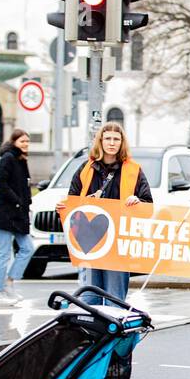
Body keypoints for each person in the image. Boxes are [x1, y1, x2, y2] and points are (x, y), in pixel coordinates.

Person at [56, 122, 151, 306]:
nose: (112, 143)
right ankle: (90, 333)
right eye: (108, 138)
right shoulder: (86, 169)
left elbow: (148, 203)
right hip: (89, 242)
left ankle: (113, 333)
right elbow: (73, 200)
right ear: (100, 141)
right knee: (89, 296)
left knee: (114, 297)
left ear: (122, 142)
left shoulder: (133, 170)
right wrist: (63, 206)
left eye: (116, 139)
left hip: (118, 242)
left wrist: (138, 201)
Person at [0, 128, 35, 306]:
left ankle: (9, 282)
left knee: (27, 248)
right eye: (22, 141)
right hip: (6, 213)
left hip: (19, 213)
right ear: (14, 141)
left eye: (27, 141)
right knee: (3, 253)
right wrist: (16, 201)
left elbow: (25, 185)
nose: (25, 144)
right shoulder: (8, 158)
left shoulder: (21, 159)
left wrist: (27, 204)